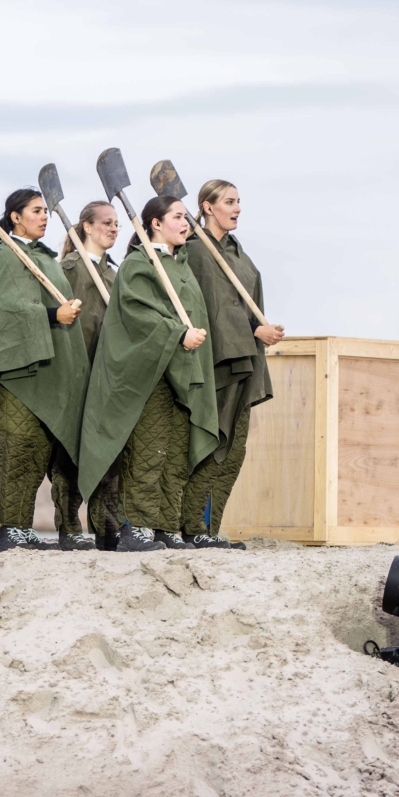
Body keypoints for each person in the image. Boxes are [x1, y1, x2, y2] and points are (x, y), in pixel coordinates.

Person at [75, 194, 218, 553]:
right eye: (177, 217)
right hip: (148, 374)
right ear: (155, 223)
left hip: (182, 374)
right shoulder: (139, 264)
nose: (185, 224)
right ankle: (135, 527)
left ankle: (165, 526)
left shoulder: (181, 266)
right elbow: (139, 314)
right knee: (148, 450)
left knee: (173, 453)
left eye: (186, 217)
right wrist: (177, 334)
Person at [0, 189, 87, 551]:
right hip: (15, 372)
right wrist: (54, 315)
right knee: (18, 446)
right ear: (15, 217)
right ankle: (11, 528)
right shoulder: (3, 255)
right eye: (36, 211)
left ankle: (23, 526)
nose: (44, 217)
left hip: (48, 371)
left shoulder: (48, 260)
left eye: (45, 211)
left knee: (38, 449)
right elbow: (6, 311)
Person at [178, 179, 279, 549]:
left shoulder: (238, 253)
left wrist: (258, 331)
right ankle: (189, 528)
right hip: (216, 362)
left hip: (246, 359)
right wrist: (253, 330)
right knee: (210, 442)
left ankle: (208, 529)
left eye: (239, 202)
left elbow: (246, 301)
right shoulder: (196, 251)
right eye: (229, 202)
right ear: (207, 207)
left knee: (234, 450)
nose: (237, 209)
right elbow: (206, 308)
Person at [59, 200, 119, 548]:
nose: (112, 228)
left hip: (107, 376)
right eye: (105, 223)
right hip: (76, 373)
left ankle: (107, 529)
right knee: (71, 452)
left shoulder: (115, 273)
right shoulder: (68, 268)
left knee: (108, 451)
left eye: (115, 224)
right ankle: (69, 528)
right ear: (86, 227)